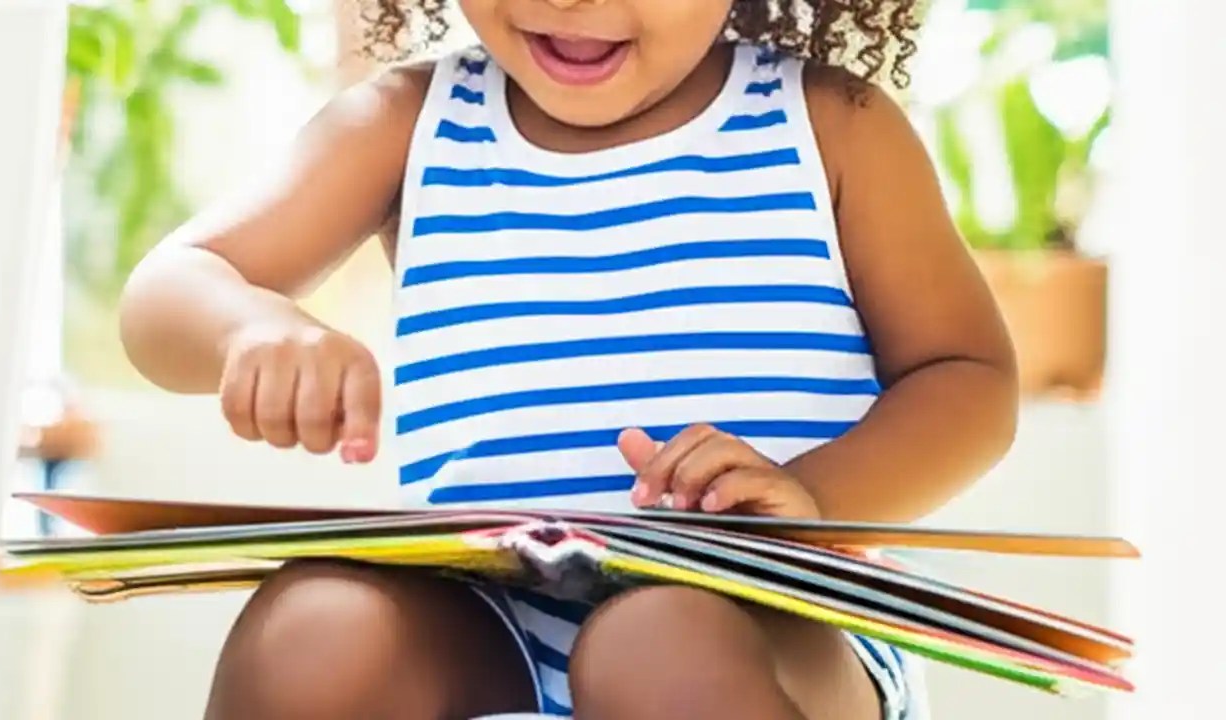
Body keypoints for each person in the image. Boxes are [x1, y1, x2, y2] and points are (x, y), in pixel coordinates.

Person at [119, 1, 1018, 718]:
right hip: (489, 625)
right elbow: (171, 286)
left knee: (656, 646)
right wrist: (252, 329)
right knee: (311, 630)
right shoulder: (407, 123)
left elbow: (966, 376)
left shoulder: (831, 127)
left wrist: (816, 497)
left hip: (775, 628)